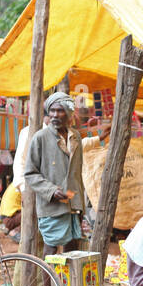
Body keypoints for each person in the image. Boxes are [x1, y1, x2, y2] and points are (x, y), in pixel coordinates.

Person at [24, 91, 86, 254]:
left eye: (60, 111)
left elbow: (77, 172)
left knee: (73, 250)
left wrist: (80, 202)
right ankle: (48, 281)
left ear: (69, 113)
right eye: (52, 110)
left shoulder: (76, 137)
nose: (55, 115)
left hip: (74, 204)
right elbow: (30, 173)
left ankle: (68, 281)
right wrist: (51, 191)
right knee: (51, 250)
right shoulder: (40, 138)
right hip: (52, 206)